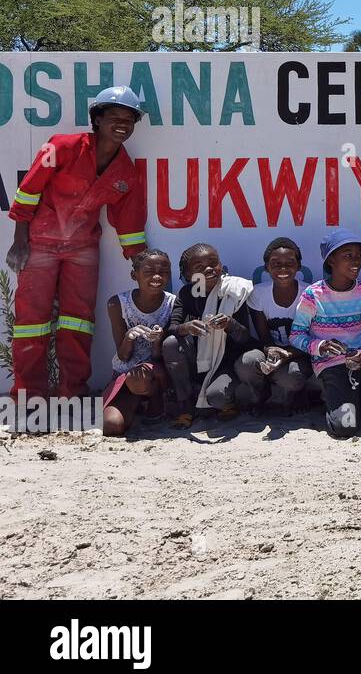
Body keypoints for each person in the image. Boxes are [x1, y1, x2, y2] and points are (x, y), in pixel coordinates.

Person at [5, 85, 149, 401]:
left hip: (83, 248)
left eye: (129, 118)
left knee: (79, 322)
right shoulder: (63, 146)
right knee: (32, 322)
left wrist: (138, 262)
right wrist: (20, 240)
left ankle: (72, 393)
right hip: (40, 242)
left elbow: (129, 221)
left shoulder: (126, 170)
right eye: (114, 117)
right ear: (97, 119)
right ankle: (28, 396)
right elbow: (28, 190)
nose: (122, 124)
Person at [290, 229, 361, 438]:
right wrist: (320, 346)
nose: (356, 262)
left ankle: (354, 397)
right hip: (330, 365)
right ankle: (333, 395)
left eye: (359, 257)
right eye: (348, 256)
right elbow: (296, 335)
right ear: (331, 260)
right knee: (345, 428)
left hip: (359, 363)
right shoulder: (314, 294)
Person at [163, 243, 256, 428]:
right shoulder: (186, 294)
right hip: (197, 362)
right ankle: (185, 406)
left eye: (213, 263)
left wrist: (230, 324)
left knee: (217, 398)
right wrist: (186, 327)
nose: (209, 269)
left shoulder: (233, 291)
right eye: (199, 267)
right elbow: (172, 328)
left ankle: (225, 401)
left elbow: (245, 338)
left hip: (227, 361)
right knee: (171, 344)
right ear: (189, 275)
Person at [102, 248, 176, 437]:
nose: (157, 277)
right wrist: (129, 337)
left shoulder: (173, 303)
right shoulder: (117, 303)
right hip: (126, 372)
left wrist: (157, 340)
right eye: (149, 272)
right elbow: (123, 355)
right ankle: (137, 405)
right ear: (134, 275)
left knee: (139, 376)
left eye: (163, 272)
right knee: (112, 425)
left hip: (155, 374)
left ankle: (155, 403)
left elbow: (162, 355)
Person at [236, 237, 311, 416]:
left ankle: (297, 394)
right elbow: (264, 337)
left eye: (289, 263)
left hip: (299, 353)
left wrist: (287, 356)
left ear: (299, 266)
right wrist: (271, 353)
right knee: (247, 363)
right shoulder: (258, 294)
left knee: (292, 376)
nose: (283, 269)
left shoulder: (309, 294)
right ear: (267, 268)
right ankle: (261, 393)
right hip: (272, 350)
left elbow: (312, 340)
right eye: (276, 264)